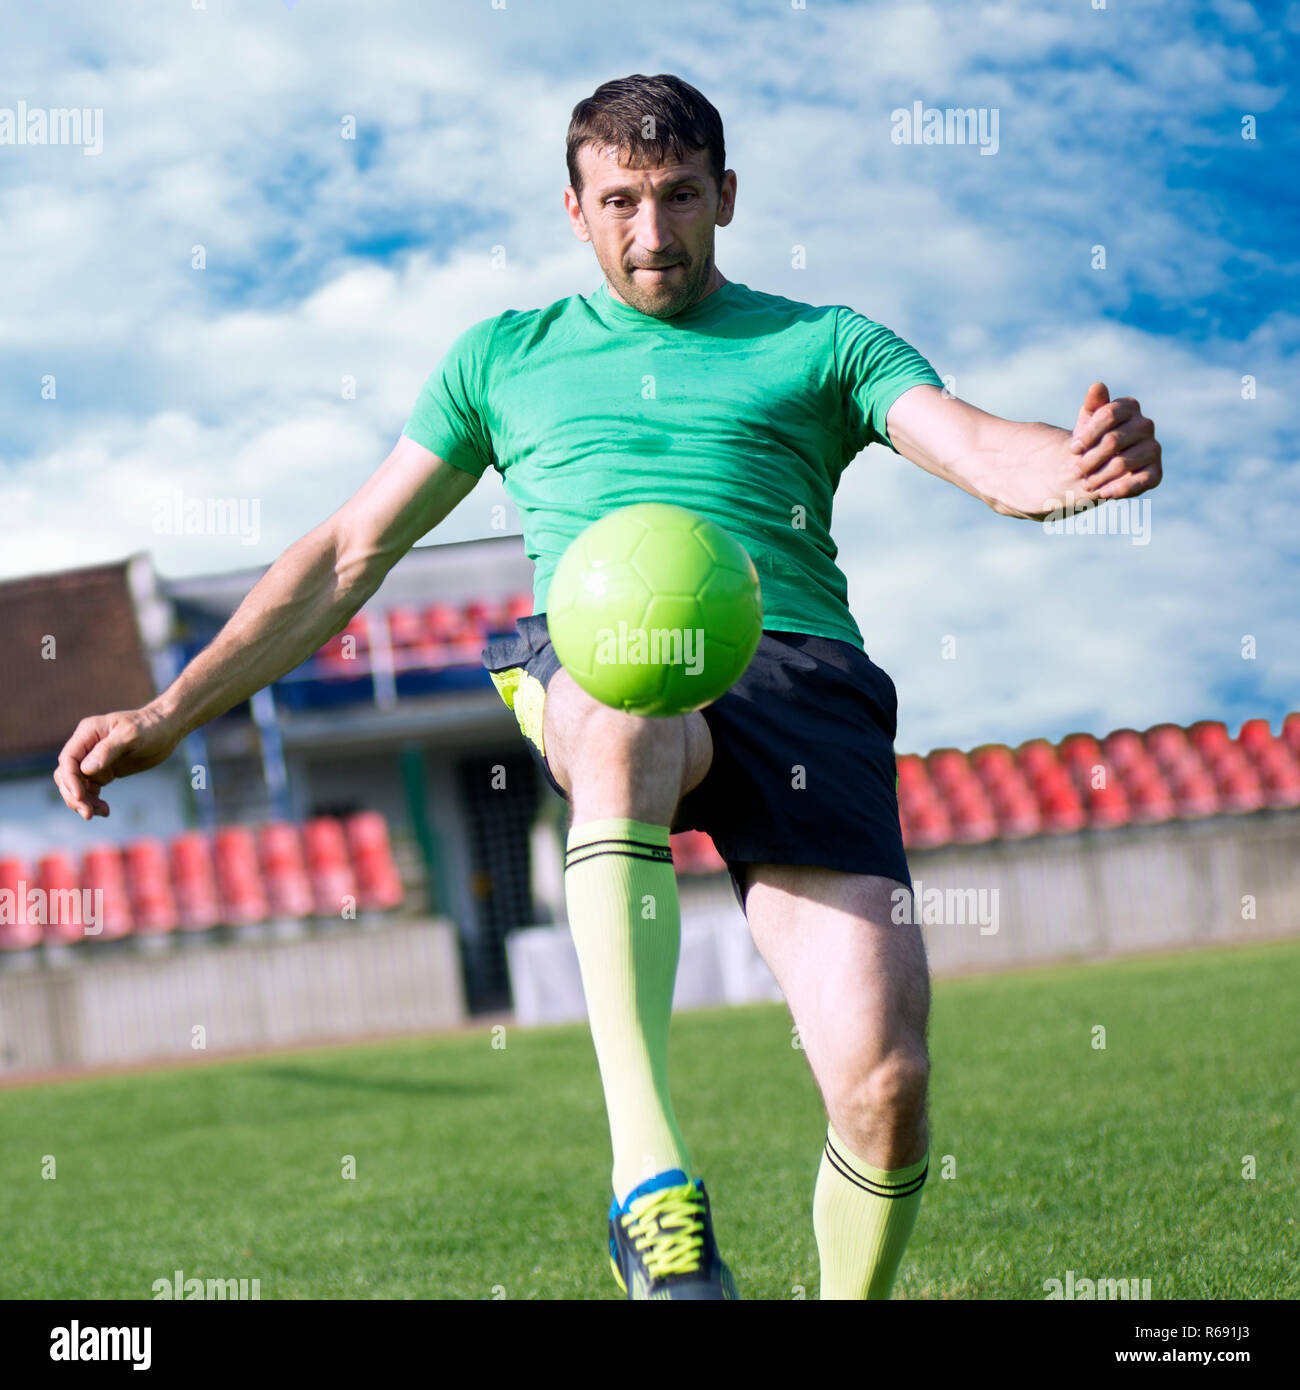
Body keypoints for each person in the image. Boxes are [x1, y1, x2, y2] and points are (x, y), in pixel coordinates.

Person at [54, 72, 1162, 1301]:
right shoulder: (502, 358)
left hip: (799, 681)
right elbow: (345, 552)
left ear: (725, 196)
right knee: (624, 701)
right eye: (621, 200)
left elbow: (976, 447)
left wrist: (1075, 467)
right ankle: (650, 1186)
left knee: (886, 1090)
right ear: (574, 210)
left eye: (680, 196)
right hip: (605, 652)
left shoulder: (825, 341)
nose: (652, 233)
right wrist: (169, 713)